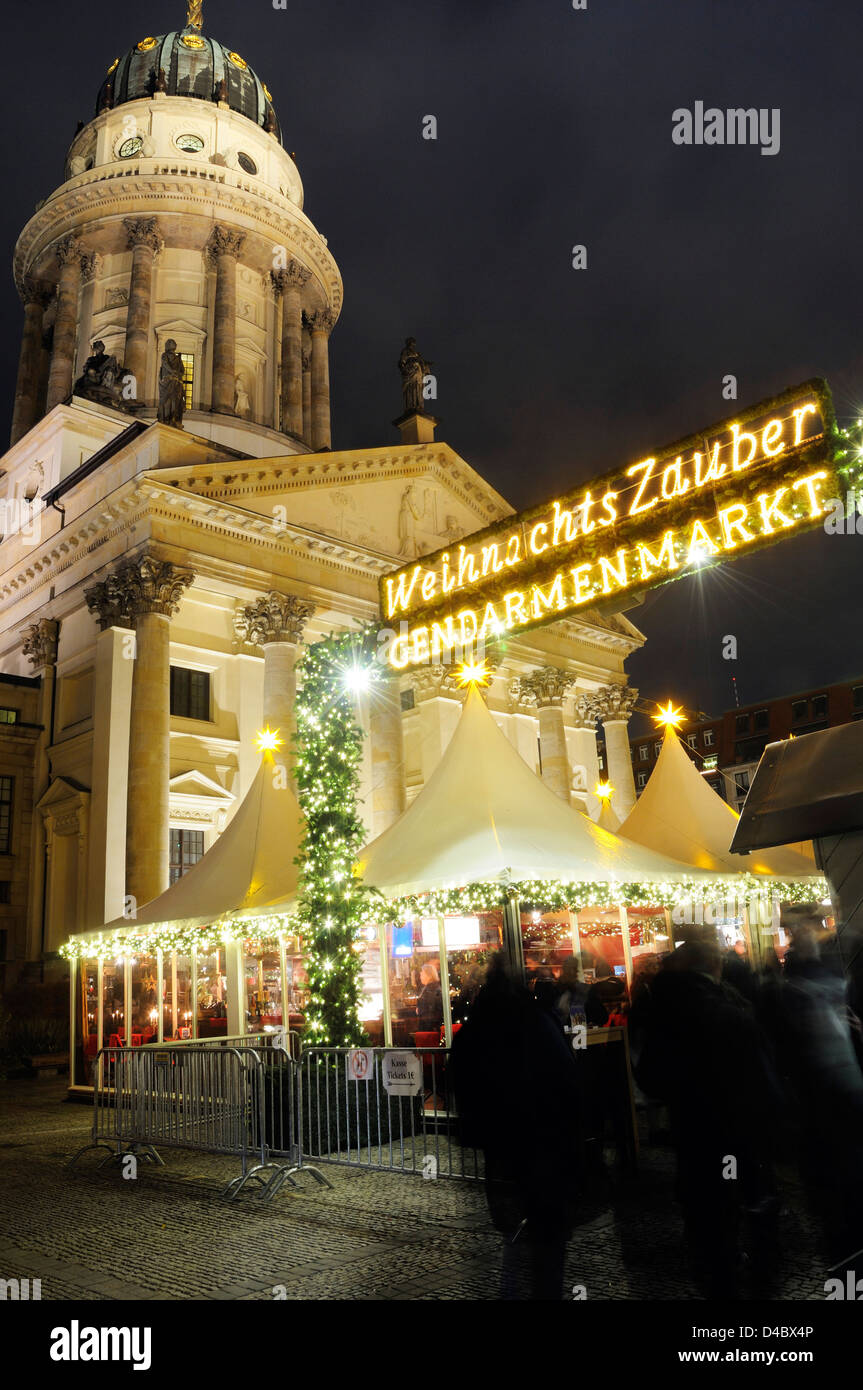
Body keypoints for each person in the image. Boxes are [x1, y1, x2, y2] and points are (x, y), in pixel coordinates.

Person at [636, 939, 780, 1298]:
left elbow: (651, 1075)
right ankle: (747, 1271)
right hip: (737, 1127)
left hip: (694, 1130)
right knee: (744, 1200)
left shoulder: (665, 1007)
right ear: (715, 965)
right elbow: (762, 1075)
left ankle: (717, 1272)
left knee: (707, 1208)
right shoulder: (727, 1008)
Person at [450, 954, 584, 1300]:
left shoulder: (477, 1025)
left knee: (517, 1227)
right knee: (547, 1231)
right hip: (543, 1138)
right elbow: (566, 1077)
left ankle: (520, 1289)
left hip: (504, 1142)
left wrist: (478, 1125)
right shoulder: (535, 1020)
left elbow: (459, 1077)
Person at [416, 962, 443, 1032]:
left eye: (422, 974)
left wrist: (419, 1010)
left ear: (429, 975)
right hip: (430, 1027)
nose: (420, 976)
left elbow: (430, 1010)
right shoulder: (431, 988)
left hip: (429, 1029)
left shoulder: (431, 989)